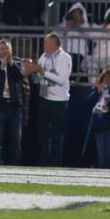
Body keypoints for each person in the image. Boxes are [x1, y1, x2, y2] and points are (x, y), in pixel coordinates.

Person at [27, 33, 73, 167]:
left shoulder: (65, 58)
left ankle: (55, 164)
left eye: (47, 43)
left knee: (57, 136)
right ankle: (43, 163)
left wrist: (42, 72)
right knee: (43, 135)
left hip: (60, 100)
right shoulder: (44, 56)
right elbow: (39, 76)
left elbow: (61, 80)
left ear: (54, 43)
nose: (44, 45)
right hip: (44, 98)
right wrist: (32, 69)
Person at [0, 40, 28, 165]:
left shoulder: (17, 65)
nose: (4, 51)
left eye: (6, 49)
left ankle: (14, 164)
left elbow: (19, 77)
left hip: (14, 106)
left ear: (11, 50)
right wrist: (2, 67)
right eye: (2, 49)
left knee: (15, 139)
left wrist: (10, 64)